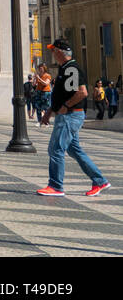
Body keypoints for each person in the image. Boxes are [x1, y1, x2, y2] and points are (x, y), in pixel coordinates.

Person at [38, 38, 110, 197]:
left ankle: (56, 186)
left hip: (70, 115)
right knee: (74, 149)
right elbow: (62, 94)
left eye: (53, 50)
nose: (52, 53)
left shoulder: (71, 68)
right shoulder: (65, 68)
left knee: (56, 148)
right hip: (68, 114)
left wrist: (65, 107)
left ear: (59, 52)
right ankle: (100, 181)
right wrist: (50, 111)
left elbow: (82, 92)